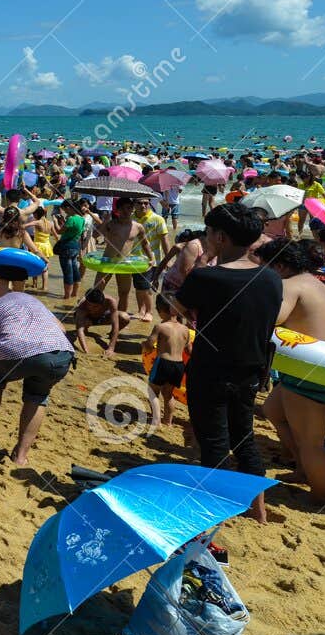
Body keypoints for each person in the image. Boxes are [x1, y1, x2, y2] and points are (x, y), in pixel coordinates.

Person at [175, 203, 282, 524]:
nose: (205, 238)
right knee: (244, 438)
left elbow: (175, 308)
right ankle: (258, 510)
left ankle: (212, 513)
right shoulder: (272, 279)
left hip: (210, 370)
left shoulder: (207, 277)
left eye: (208, 233)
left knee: (214, 444)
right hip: (252, 369)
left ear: (220, 237)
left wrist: (204, 265)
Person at [256, 237, 325, 505]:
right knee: (272, 411)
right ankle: (302, 469)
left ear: (279, 266)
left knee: (312, 442)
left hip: (309, 371)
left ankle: (320, 497)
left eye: (264, 267)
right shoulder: (324, 288)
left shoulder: (289, 286)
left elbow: (270, 320)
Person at [0, 291, 75, 466]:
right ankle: (20, 457)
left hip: (16, 352)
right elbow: (62, 329)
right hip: (61, 354)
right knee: (38, 397)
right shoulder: (28, 299)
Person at [141, 295, 191, 427]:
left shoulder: (160, 327)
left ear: (159, 310)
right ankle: (168, 422)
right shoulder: (185, 329)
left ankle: (156, 421)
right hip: (179, 366)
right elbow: (189, 351)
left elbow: (150, 345)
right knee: (168, 394)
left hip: (163, 363)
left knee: (153, 391)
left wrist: (144, 345)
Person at [72, 288, 130, 355]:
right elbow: (79, 329)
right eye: (89, 305)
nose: (91, 308)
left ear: (102, 303)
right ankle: (87, 332)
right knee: (82, 325)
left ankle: (111, 335)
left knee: (125, 317)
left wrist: (111, 348)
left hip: (102, 317)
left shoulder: (111, 301)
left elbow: (115, 325)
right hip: (88, 319)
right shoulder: (82, 305)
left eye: (95, 306)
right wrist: (86, 351)